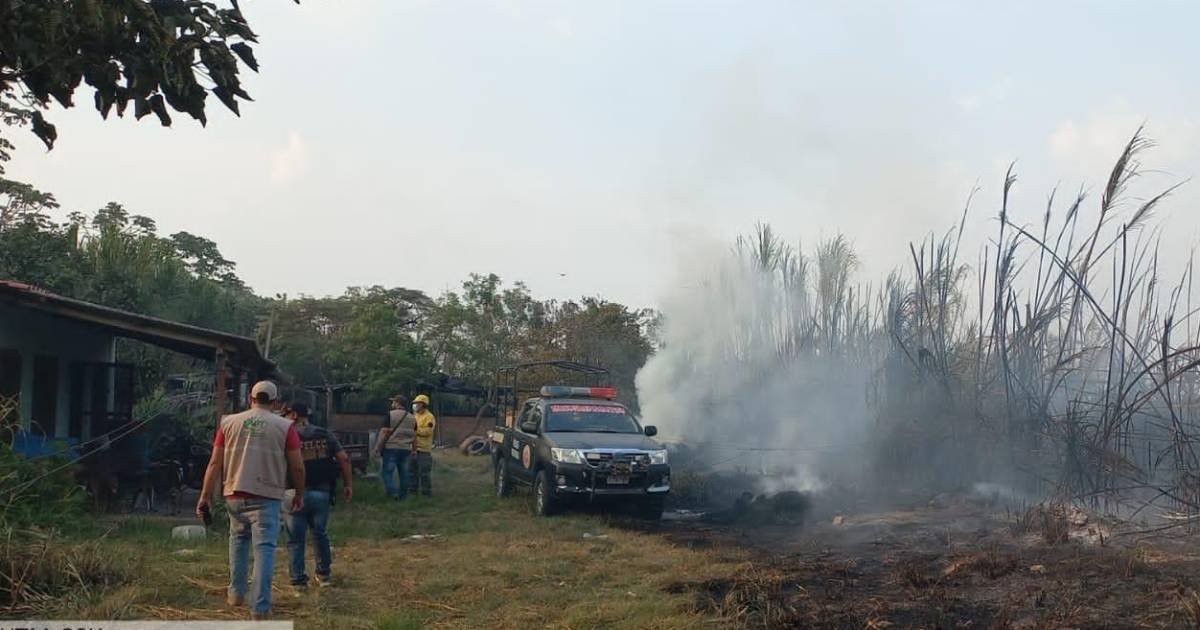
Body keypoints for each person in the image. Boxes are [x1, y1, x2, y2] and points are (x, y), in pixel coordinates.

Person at [197, 381, 305, 621]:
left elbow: (214, 463)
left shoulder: (228, 423)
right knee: (264, 549)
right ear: (276, 402)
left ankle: (235, 594)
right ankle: (260, 607)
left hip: (234, 494)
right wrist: (299, 493)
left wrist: (205, 496)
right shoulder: (285, 426)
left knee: (237, 541)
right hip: (267, 496)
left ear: (250, 398)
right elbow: (297, 466)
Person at [283, 402, 353, 591]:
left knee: (296, 540)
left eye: (286, 413)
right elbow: (344, 459)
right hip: (321, 492)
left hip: (291, 493)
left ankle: (298, 582)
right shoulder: (325, 434)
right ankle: (323, 575)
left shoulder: (285, 434)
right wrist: (348, 484)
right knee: (320, 534)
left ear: (295, 414)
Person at [375, 395, 416, 500]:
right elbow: (415, 435)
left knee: (387, 472)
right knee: (404, 473)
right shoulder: (412, 417)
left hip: (391, 448)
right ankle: (403, 496)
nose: (392, 404)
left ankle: (394, 493)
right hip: (406, 448)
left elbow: (384, 432)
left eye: (393, 402)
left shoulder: (390, 415)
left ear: (397, 403)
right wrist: (414, 449)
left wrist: (378, 447)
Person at [410, 394, 436, 497]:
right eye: (414, 403)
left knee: (424, 473)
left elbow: (428, 432)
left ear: (423, 404)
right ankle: (412, 492)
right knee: (412, 472)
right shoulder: (414, 416)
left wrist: (415, 431)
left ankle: (426, 493)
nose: (415, 405)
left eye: (417, 403)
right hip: (413, 448)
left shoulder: (429, 417)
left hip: (424, 450)